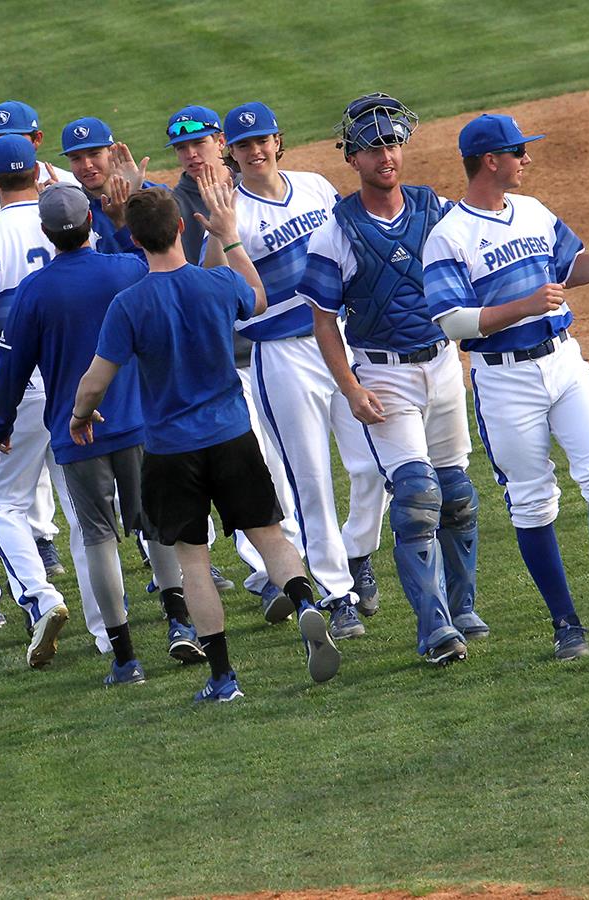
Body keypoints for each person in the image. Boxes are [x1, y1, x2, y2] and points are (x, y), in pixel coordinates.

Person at [71, 180, 344, 703]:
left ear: (134, 240)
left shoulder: (129, 305)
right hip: (232, 435)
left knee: (193, 563)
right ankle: (306, 603)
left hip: (171, 451)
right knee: (270, 537)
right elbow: (256, 296)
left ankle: (223, 678)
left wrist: (81, 416)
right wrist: (229, 236)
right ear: (180, 227)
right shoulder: (217, 284)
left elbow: (95, 381)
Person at [422, 113, 589, 660]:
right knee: (532, 502)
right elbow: (453, 321)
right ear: (491, 160)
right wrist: (525, 305)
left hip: (564, 362)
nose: (527, 159)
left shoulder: (532, 210)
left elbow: (571, 266)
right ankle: (565, 623)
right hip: (503, 378)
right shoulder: (449, 236)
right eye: (518, 151)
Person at [0, 181, 206, 680]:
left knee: (98, 540)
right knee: (156, 526)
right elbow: (159, 271)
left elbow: (12, 370)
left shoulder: (34, 291)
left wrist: (1, 423)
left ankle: (125, 658)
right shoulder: (126, 269)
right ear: (91, 221)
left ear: (46, 232)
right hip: (140, 423)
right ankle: (180, 624)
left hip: (77, 434)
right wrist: (121, 222)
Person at [300, 94, 476, 666]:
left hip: (443, 364)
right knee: (417, 497)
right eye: (373, 147)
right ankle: (434, 629)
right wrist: (351, 389)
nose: (386, 156)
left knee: (457, 494)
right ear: (352, 158)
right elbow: (323, 323)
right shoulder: (335, 232)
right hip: (383, 373)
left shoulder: (436, 209)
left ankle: (464, 609)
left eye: (393, 144)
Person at [218, 101, 387, 623]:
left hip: (338, 338)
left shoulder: (314, 186)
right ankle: (337, 596)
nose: (255, 151)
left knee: (374, 464)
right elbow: (219, 289)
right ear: (231, 152)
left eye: (262, 140)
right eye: (244, 145)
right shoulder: (230, 212)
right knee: (310, 480)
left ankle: (356, 550)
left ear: (278, 141)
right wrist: (221, 234)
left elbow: (353, 246)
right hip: (282, 355)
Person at [165, 104, 300, 607]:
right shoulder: (175, 206)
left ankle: (297, 565)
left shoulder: (254, 187)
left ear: (220, 142)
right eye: (181, 148)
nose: (190, 155)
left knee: (287, 464)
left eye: (198, 143)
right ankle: (272, 576)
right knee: (254, 467)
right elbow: (187, 282)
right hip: (223, 359)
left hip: (278, 346)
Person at [0, 135, 77, 636]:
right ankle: (111, 621)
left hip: (20, 385)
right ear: (37, 173)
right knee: (83, 506)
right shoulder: (71, 223)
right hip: (77, 379)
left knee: (1, 503)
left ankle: (41, 598)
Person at [0, 101, 73, 228]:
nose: (8, 145)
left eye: (16, 138)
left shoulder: (68, 185)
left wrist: (63, 208)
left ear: (37, 139)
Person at [58, 116, 145, 254]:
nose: (86, 165)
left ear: (112, 152)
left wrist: (135, 196)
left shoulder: (155, 195)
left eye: (94, 154)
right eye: (76, 158)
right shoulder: (74, 214)